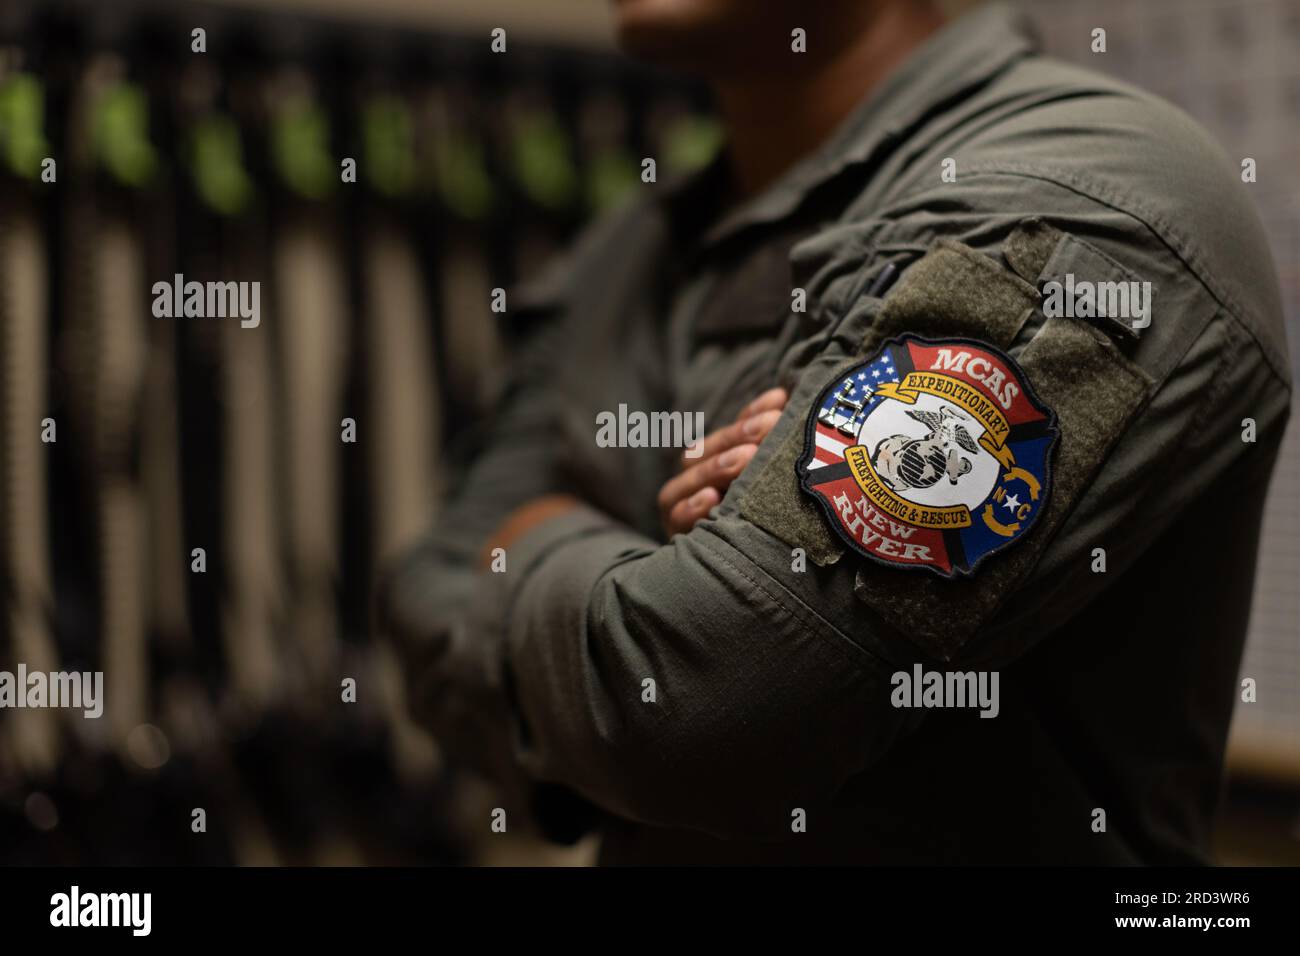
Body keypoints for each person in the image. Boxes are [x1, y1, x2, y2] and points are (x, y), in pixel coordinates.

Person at [380, 0, 1291, 863]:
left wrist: (537, 540)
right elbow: (425, 587)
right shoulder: (624, 252)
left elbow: (700, 710)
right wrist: (638, 598)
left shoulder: (1080, 192)